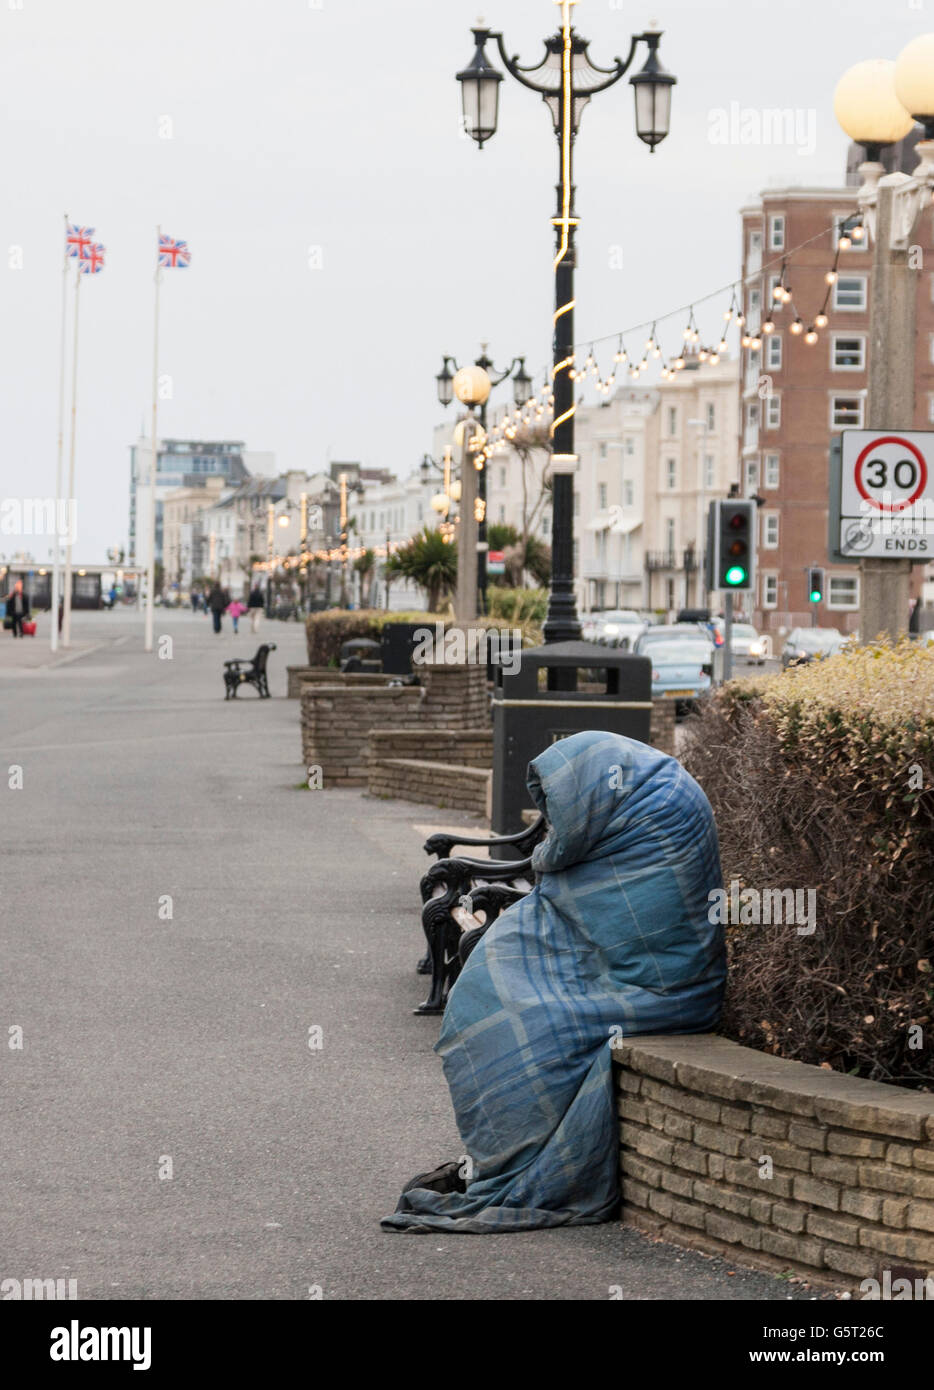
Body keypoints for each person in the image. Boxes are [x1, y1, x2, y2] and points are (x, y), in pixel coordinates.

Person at [382, 730, 725, 1234]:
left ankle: (508, 1163)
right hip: (615, 964)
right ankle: (495, 1156)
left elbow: (589, 879)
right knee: (491, 985)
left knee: (527, 1021)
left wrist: (545, 857)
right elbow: (581, 876)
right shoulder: (641, 788)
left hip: (659, 986)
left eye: (556, 803)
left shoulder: (654, 805)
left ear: (584, 786)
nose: (553, 817)